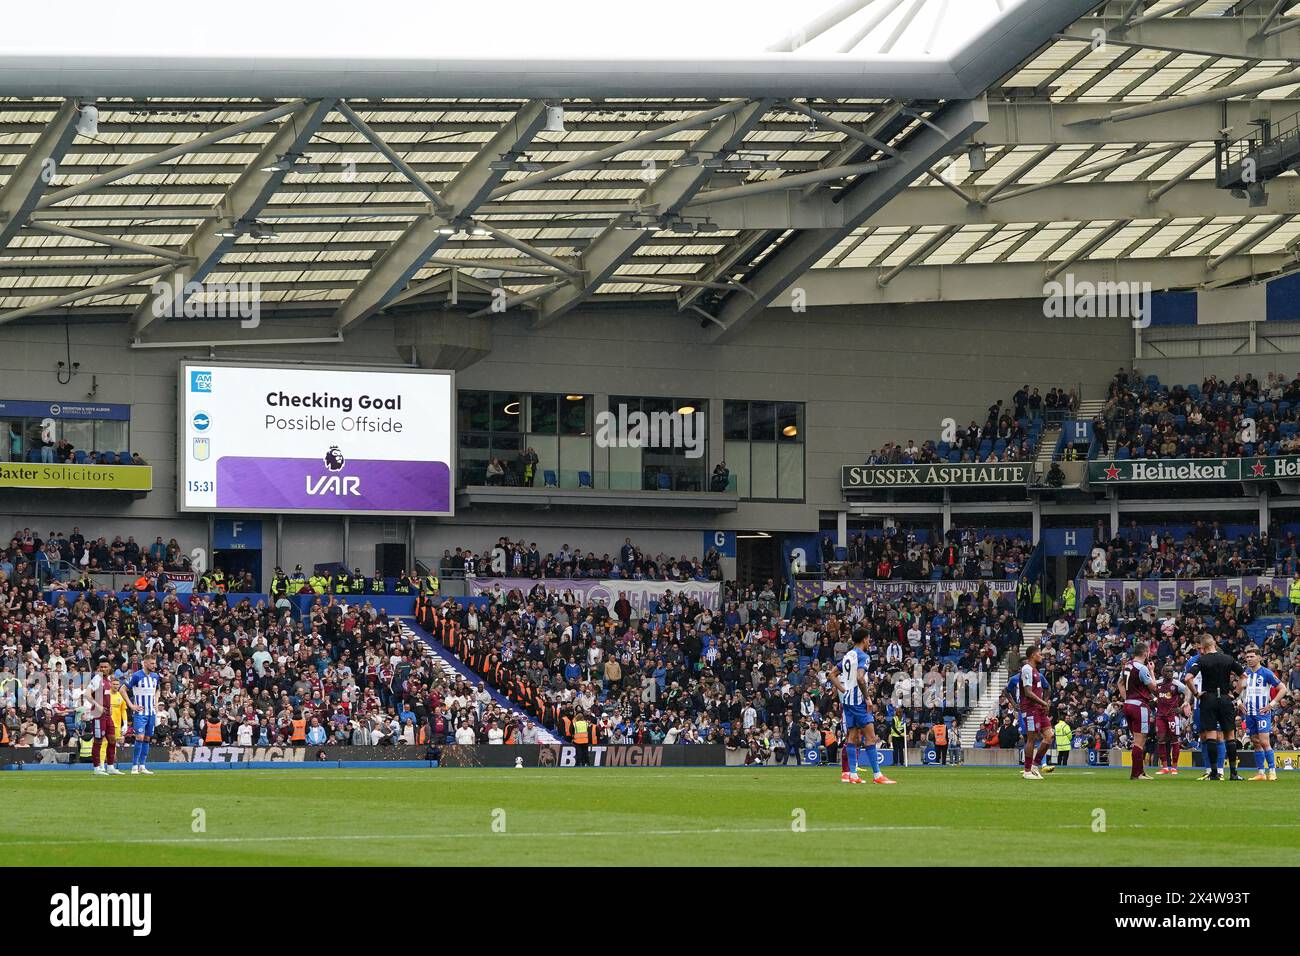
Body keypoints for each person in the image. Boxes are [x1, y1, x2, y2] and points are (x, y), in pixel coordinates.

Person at [828, 628, 895, 784]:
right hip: (858, 702)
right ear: (865, 639)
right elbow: (860, 678)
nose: (869, 641)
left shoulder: (847, 655)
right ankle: (877, 775)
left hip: (847, 701)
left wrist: (844, 690)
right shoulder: (863, 656)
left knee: (852, 737)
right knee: (870, 738)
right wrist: (867, 698)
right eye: (868, 638)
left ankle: (853, 775)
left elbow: (832, 674)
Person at [1185, 635, 1244, 782]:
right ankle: (1233, 773)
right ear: (1214, 644)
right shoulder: (1227, 658)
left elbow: (1187, 679)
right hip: (1225, 698)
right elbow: (1243, 677)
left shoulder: (1201, 660)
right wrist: (1235, 694)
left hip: (1208, 699)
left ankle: (1213, 773)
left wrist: (1196, 694)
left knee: (1210, 736)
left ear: (1203, 647)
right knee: (1229, 736)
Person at [1240, 644, 1287, 781]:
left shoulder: (1266, 673)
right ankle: (1261, 772)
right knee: (1255, 741)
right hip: (1249, 713)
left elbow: (1283, 688)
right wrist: (1239, 703)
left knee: (1264, 741)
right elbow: (1239, 690)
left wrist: (1271, 705)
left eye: (1252, 656)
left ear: (1259, 657)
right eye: (1247, 656)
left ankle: (1272, 771)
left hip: (1262, 712)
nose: (1249, 659)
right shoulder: (1245, 674)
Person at [1118, 642, 1157, 781]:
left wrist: (1126, 698)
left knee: (1136, 740)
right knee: (1139, 742)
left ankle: (1141, 771)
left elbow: (1120, 684)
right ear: (1145, 653)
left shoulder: (1126, 666)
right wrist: (1152, 671)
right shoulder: (1142, 668)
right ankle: (1136, 774)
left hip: (1128, 705)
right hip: (1139, 706)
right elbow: (1154, 687)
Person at [85, 659, 126, 776]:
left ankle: (110, 767)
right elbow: (87, 694)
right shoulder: (96, 679)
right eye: (101, 667)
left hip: (108, 715)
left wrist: (110, 706)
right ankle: (97, 768)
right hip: (98, 715)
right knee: (98, 740)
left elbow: (107, 696)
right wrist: (97, 705)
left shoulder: (108, 680)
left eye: (105, 667)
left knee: (112, 740)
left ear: (109, 668)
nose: (103, 669)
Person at [1018, 645, 1054, 779]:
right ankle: (1027, 771)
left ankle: (1034, 765)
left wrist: (1043, 703)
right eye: (1040, 654)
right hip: (1030, 708)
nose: (1042, 656)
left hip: (1038, 708)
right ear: (1033, 655)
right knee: (1031, 738)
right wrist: (1044, 702)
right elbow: (1028, 692)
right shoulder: (1027, 669)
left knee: (1049, 735)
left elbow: (1044, 689)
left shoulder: (1035, 671)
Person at [124, 654, 161, 774]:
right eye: (152, 663)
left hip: (151, 712)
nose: (154, 666)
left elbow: (158, 689)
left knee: (147, 738)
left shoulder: (155, 676)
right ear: (144, 663)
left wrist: (156, 701)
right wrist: (131, 705)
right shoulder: (136, 676)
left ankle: (142, 766)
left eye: (155, 663)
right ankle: (134, 765)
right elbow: (122, 689)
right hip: (140, 712)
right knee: (139, 736)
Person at [1154, 664, 1191, 775]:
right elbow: (1148, 688)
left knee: (1174, 739)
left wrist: (1185, 703)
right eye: (1167, 671)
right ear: (1162, 672)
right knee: (1161, 739)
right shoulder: (1158, 683)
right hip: (1160, 716)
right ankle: (1165, 767)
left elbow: (1188, 690)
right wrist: (1154, 698)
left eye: (1171, 671)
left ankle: (1174, 767)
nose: (1169, 673)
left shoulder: (1176, 684)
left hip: (1172, 716)